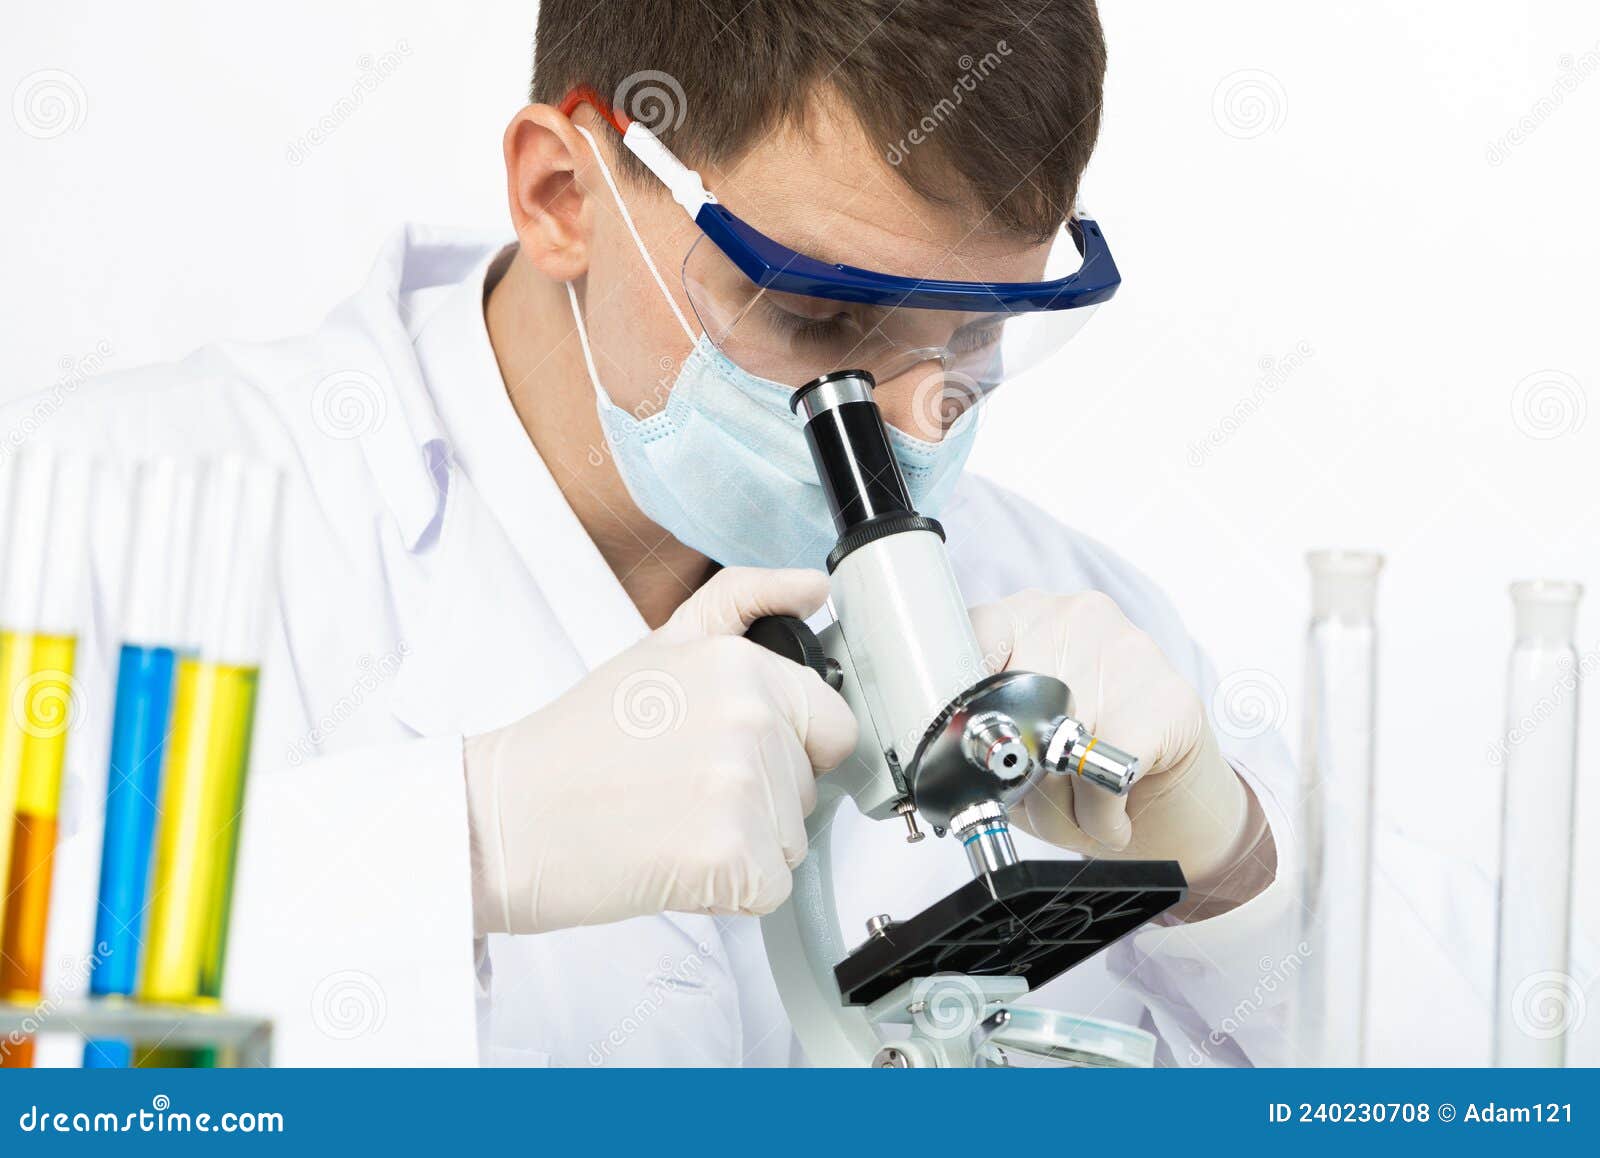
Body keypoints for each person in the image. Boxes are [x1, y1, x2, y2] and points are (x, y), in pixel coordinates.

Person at [9, 0, 1295, 1066]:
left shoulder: (1058, 601)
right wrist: (465, 838)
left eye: (974, 331)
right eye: (816, 316)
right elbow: (44, 1038)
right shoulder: (99, 508)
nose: (913, 427)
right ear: (563, 192)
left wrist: (1225, 861)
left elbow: (1384, 1086)